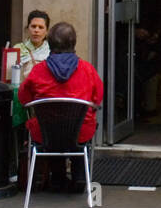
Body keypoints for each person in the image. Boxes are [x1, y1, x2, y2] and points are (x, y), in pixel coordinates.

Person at [18, 22, 103, 192]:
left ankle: (58, 177)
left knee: (49, 129)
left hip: (45, 132)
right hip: (80, 132)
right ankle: (80, 175)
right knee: (81, 130)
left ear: (49, 44)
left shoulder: (38, 70)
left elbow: (23, 98)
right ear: (74, 44)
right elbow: (97, 99)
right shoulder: (87, 70)